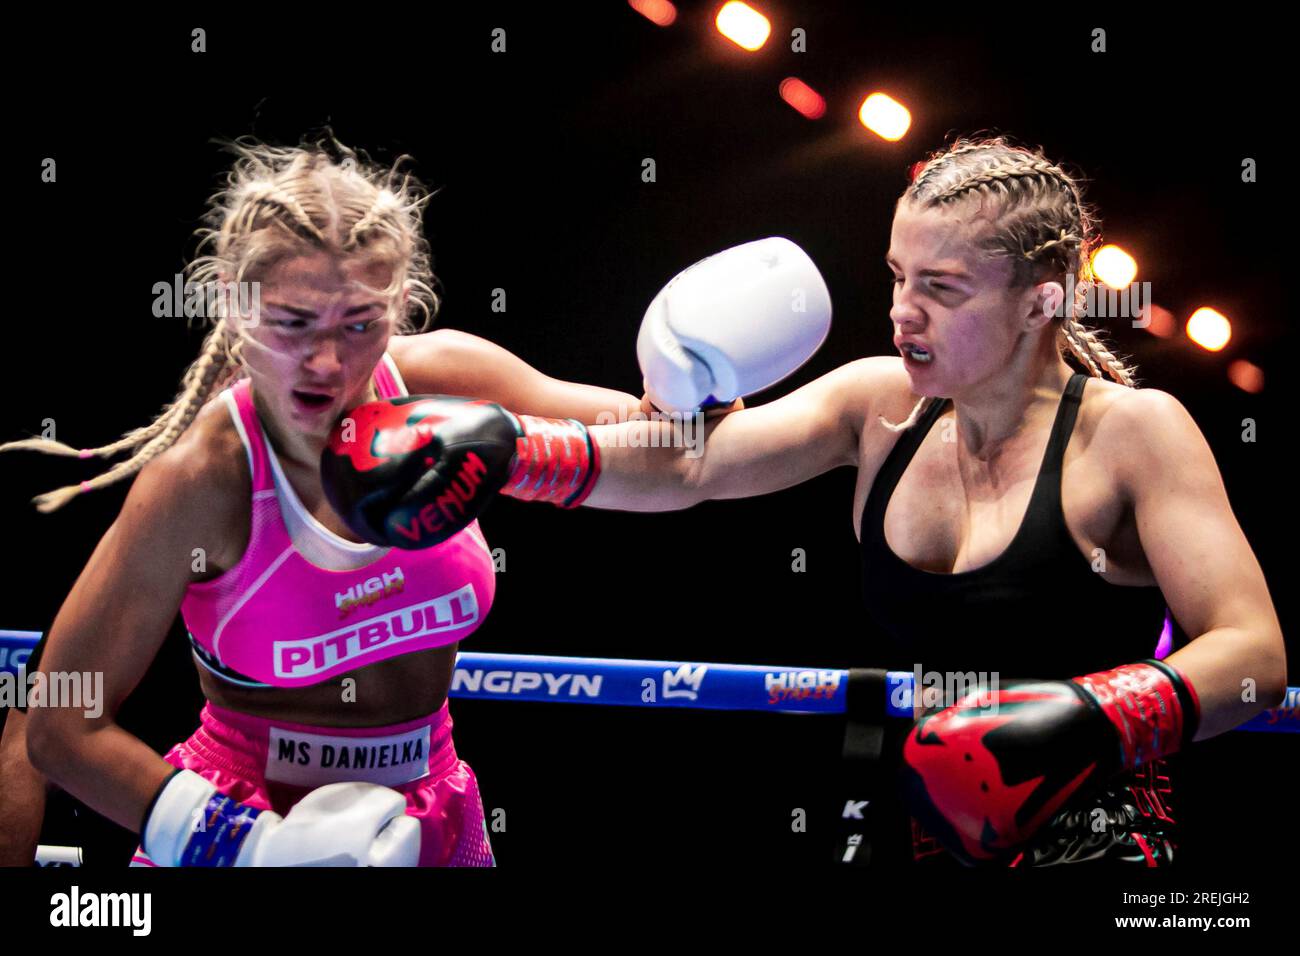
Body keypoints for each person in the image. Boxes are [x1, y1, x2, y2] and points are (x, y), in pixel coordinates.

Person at [382, 134, 1287, 866]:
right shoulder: (876, 402)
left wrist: (1089, 718)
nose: (902, 311)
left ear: (1039, 302)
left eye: (941, 288)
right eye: (899, 275)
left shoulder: (1133, 431)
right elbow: (688, 464)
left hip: (1109, 854)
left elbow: (1254, 652)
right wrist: (510, 456)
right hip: (918, 831)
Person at [2, 136, 656, 866]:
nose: (326, 361)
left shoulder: (448, 382)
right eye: (292, 321)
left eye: (358, 323)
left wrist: (697, 375)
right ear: (233, 301)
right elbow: (58, 723)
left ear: (401, 305)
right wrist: (245, 846)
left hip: (431, 802)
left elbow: (659, 439)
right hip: (239, 809)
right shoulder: (206, 476)